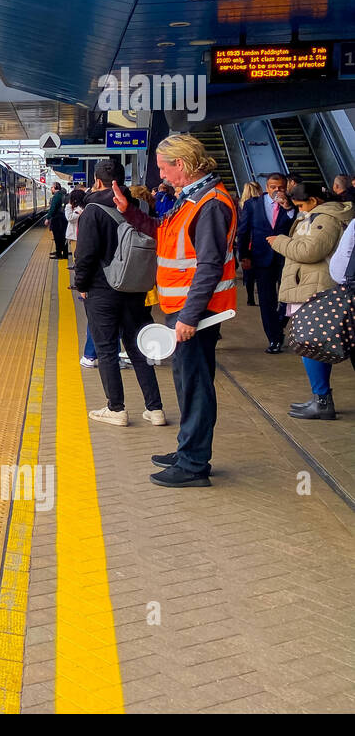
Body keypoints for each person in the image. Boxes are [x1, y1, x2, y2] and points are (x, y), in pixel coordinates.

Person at [111, 133, 237, 487]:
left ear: (181, 164)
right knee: (187, 383)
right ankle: (187, 451)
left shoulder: (209, 204)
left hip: (197, 314)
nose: (161, 176)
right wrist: (129, 212)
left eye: (164, 168)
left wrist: (189, 318)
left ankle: (194, 464)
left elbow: (209, 266)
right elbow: (163, 234)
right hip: (184, 311)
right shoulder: (192, 200)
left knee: (195, 386)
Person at [74, 162, 165, 427]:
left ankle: (116, 409)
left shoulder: (92, 211)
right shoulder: (138, 208)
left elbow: (85, 255)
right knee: (138, 348)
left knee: (106, 349)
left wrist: (81, 285)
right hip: (136, 287)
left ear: (98, 181)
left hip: (103, 289)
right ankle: (155, 409)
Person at [267, 182, 353, 419]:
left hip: (315, 289)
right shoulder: (318, 216)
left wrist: (280, 242)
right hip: (311, 286)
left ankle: (322, 399)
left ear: (314, 201)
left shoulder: (325, 218)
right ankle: (320, 397)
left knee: (310, 343)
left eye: (302, 205)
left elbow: (310, 250)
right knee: (313, 344)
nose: (301, 210)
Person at [237, 173, 296, 353]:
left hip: (286, 257)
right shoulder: (252, 205)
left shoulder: (293, 205)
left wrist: (288, 208)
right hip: (261, 258)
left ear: (286, 188)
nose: (277, 191)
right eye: (273, 187)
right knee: (266, 300)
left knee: (287, 297)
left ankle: (279, 323)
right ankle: (274, 338)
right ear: (267, 187)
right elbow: (244, 231)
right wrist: (244, 256)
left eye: (281, 188)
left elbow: (297, 226)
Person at [237, 182, 263, 306]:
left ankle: (250, 297)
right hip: (258, 240)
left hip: (246, 242)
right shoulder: (261, 203)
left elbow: (241, 228)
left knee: (248, 271)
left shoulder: (241, 204)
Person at [64, 188, 85, 266]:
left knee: (76, 257)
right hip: (78, 236)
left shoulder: (79, 209)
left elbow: (70, 218)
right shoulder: (82, 207)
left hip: (75, 237)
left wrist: (68, 205)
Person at [47, 183, 68, 258]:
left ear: (55, 187)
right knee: (63, 236)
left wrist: (47, 218)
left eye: (52, 187)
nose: (51, 189)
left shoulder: (56, 196)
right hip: (63, 218)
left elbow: (52, 209)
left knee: (57, 237)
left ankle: (59, 254)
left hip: (57, 219)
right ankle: (65, 254)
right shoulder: (62, 194)